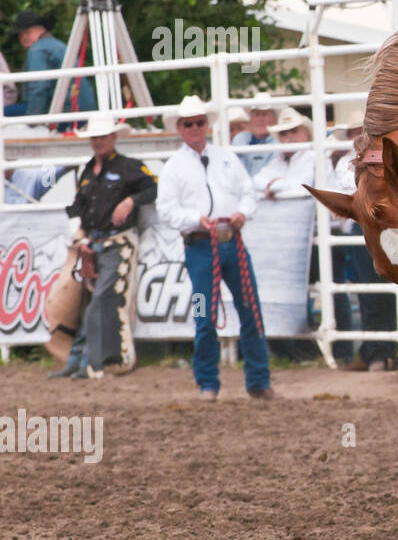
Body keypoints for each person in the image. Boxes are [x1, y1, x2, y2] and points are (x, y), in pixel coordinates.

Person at [156, 95, 272, 401]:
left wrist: (242, 213)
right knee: (203, 314)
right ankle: (208, 381)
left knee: (251, 309)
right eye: (189, 123)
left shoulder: (225, 157)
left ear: (206, 125)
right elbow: (166, 210)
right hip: (200, 247)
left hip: (230, 242)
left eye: (199, 122)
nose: (195, 128)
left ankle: (258, 380)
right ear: (180, 128)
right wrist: (197, 219)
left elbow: (248, 193)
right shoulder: (174, 167)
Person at [48, 115, 157, 379]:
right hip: (91, 243)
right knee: (88, 303)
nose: (98, 142)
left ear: (113, 138)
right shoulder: (87, 171)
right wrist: (80, 237)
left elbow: (152, 188)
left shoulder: (129, 167)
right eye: (94, 137)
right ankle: (79, 360)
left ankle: (89, 362)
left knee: (99, 300)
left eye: (102, 137)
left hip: (117, 241)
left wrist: (130, 201)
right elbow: (76, 207)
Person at [325, 124, 398, 372]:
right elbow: (350, 193)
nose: (357, 136)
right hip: (361, 227)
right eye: (353, 132)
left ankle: (384, 352)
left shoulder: (374, 160)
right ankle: (376, 352)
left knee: (381, 289)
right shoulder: (347, 163)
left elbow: (356, 195)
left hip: (379, 224)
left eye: (361, 131)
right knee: (367, 291)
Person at [11, 11, 96, 118]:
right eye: (21, 35)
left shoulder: (38, 49)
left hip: (63, 110)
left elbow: (38, 88)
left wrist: (32, 120)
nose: (24, 38)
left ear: (41, 30)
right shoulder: (58, 45)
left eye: (27, 32)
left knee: (4, 113)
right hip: (82, 108)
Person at [251, 107, 314, 200]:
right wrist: (274, 185)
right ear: (279, 139)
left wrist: (272, 185)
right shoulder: (277, 161)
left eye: (294, 131)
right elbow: (255, 181)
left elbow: (300, 188)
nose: (289, 136)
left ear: (306, 135)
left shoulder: (314, 158)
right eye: (283, 133)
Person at [231, 99, 278, 177]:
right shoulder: (240, 139)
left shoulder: (279, 142)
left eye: (265, 114)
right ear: (250, 119)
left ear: (275, 119)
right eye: (256, 114)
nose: (260, 118)